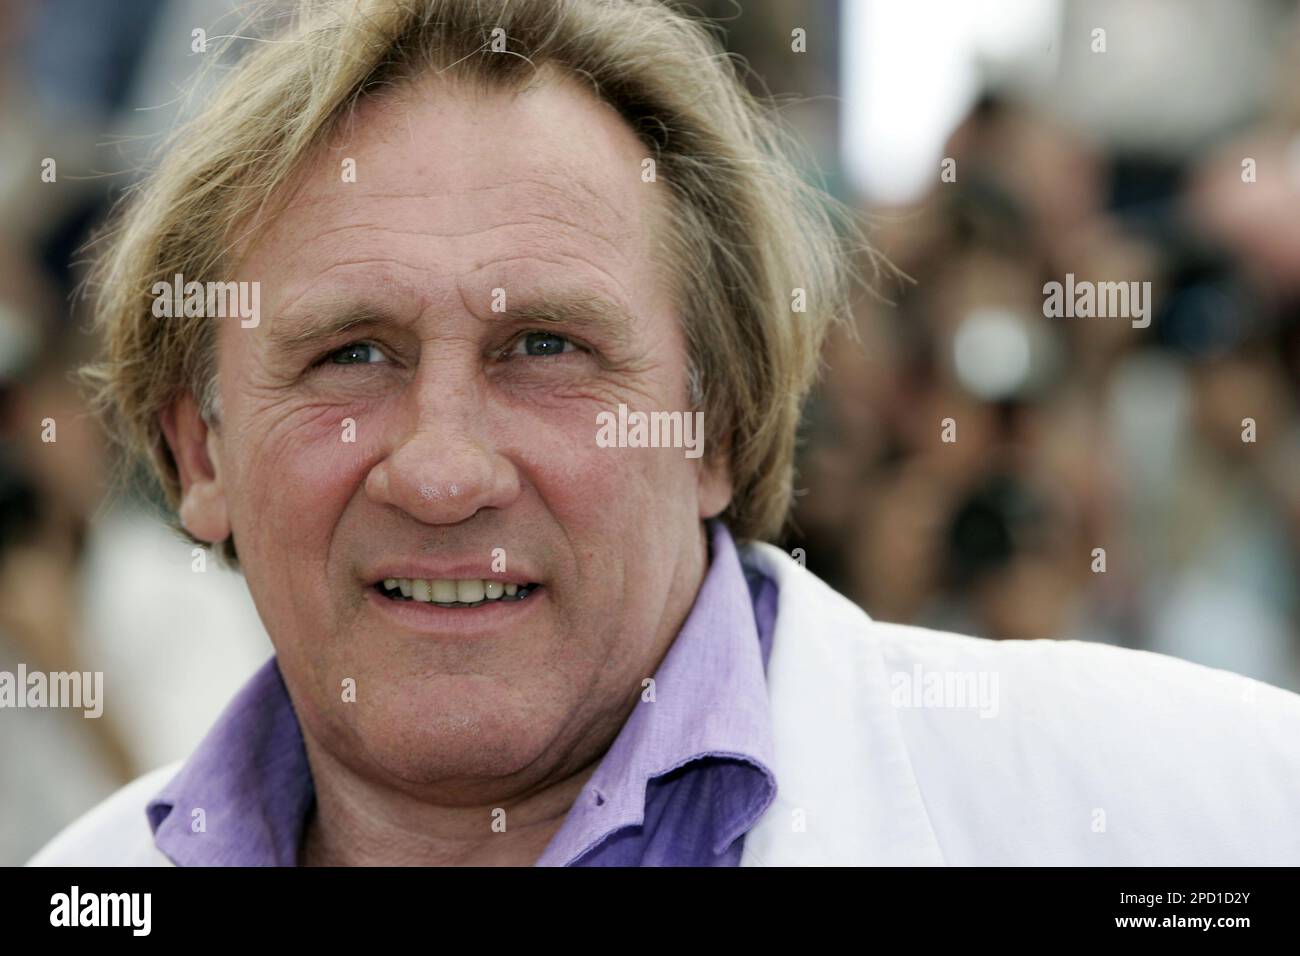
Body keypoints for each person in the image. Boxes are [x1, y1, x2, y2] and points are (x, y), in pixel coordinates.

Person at [29, 0, 1300, 866]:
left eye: (546, 349)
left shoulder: (1196, 811)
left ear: (719, 425)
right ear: (199, 454)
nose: (443, 467)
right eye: (349, 354)